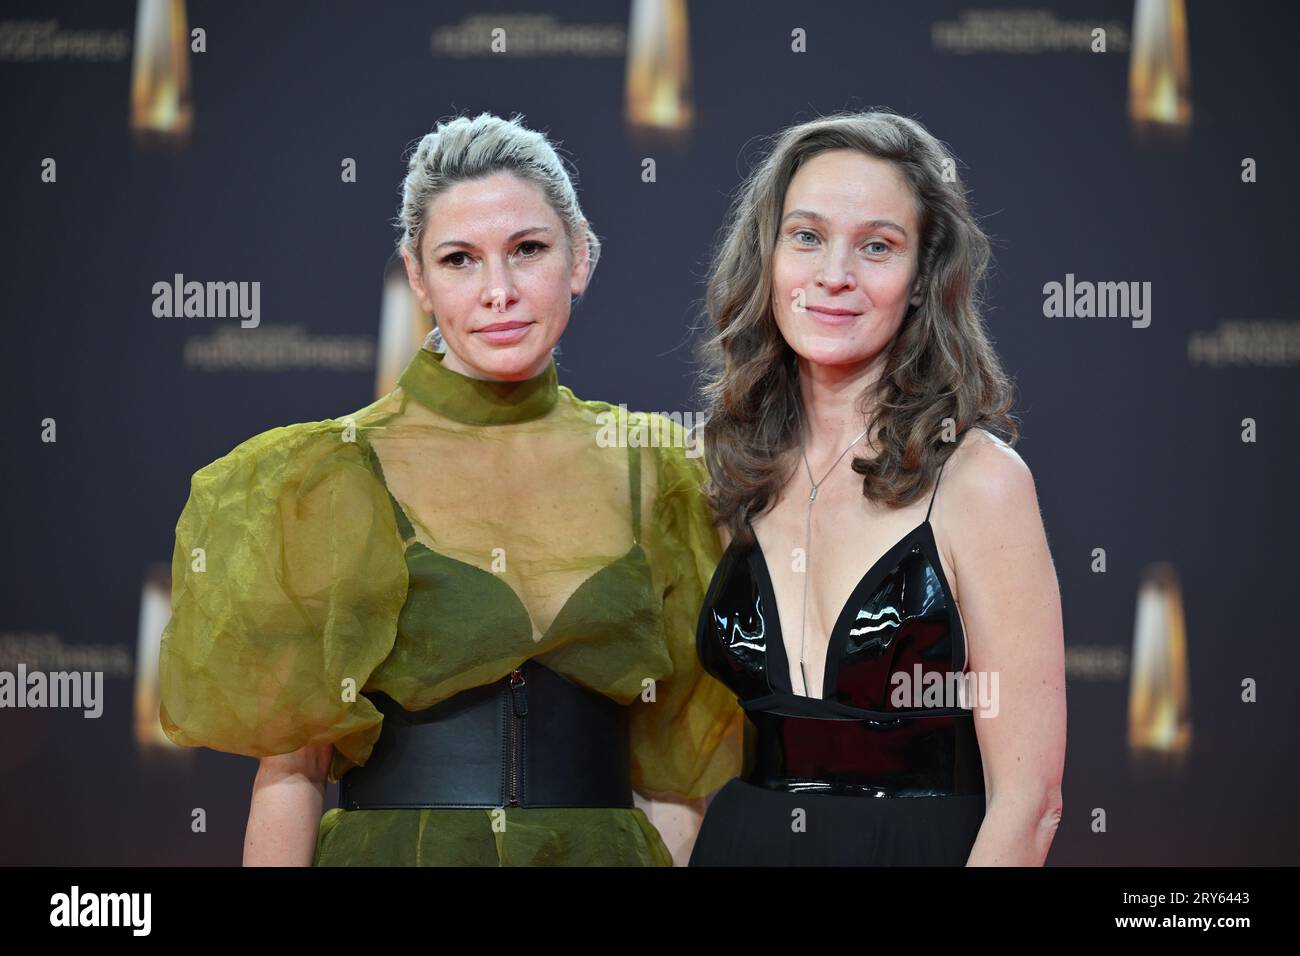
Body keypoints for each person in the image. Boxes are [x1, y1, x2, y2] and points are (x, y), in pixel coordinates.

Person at [158, 111, 743, 866]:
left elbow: (674, 775)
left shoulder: (658, 470)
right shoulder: (325, 474)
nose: (497, 290)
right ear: (418, 279)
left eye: (527, 250)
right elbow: (293, 770)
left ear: (580, 258)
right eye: (460, 259)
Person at [688, 110, 1066, 866]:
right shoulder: (729, 468)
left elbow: (1031, 807)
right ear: (767, 257)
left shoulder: (979, 481)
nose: (834, 274)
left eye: (876, 246)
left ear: (924, 279)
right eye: (806, 237)